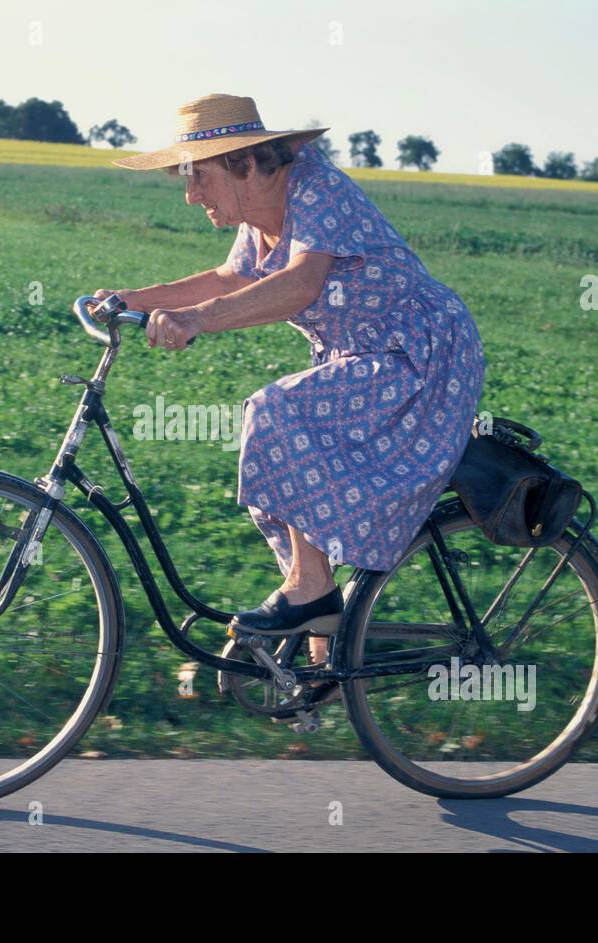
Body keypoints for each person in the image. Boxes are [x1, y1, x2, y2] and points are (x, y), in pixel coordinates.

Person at [98, 93, 484, 672]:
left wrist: (197, 320)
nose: (190, 194)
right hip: (366, 357)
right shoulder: (261, 217)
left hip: (420, 357)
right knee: (278, 479)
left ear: (246, 164)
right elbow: (230, 277)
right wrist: (130, 299)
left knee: (279, 413)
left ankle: (313, 597)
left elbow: (299, 286)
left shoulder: (317, 189)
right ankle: (320, 630)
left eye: (198, 176)